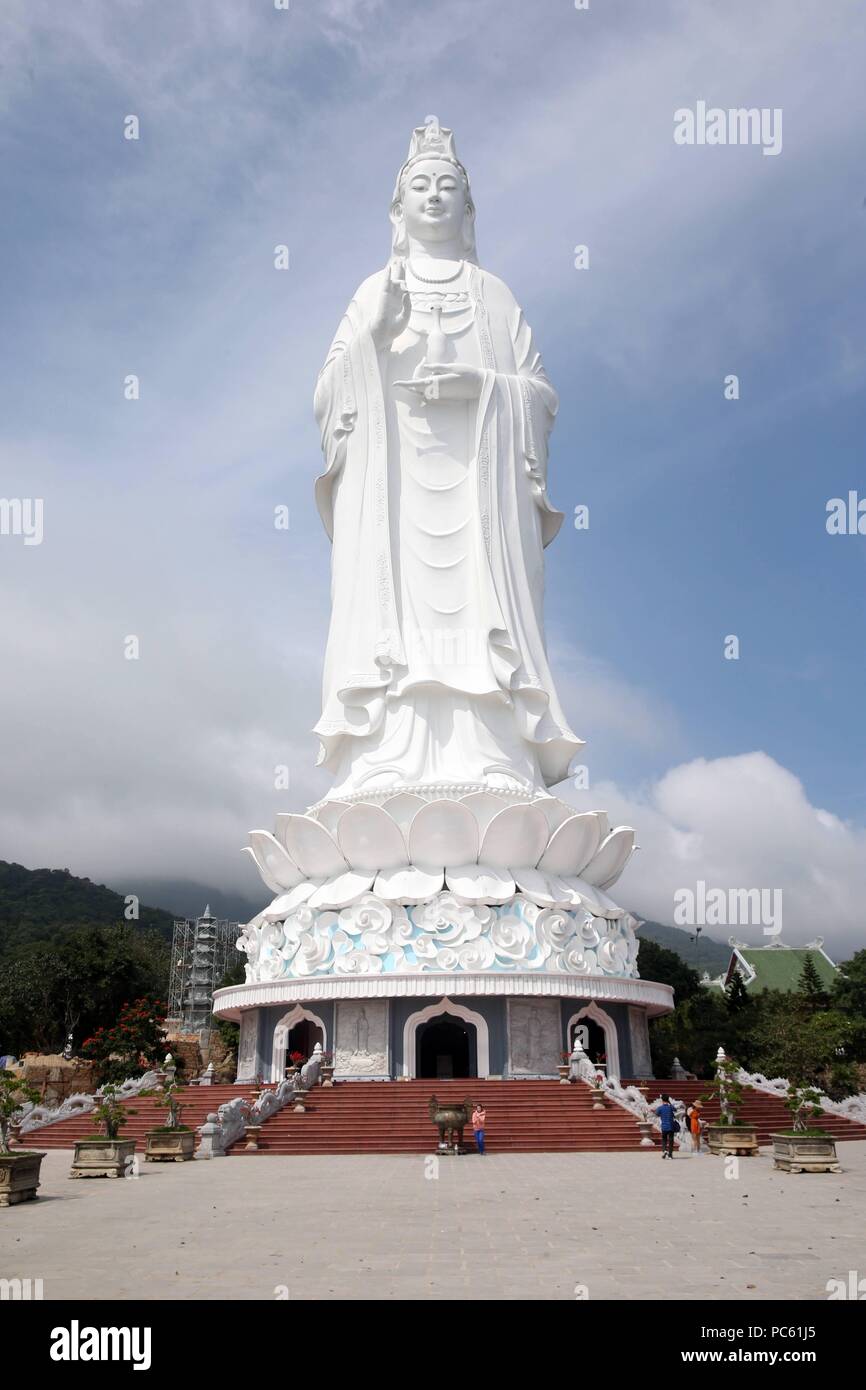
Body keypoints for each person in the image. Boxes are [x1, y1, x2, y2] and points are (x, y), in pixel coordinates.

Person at [654, 1093, 677, 1158]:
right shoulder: (670, 1107)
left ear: (662, 1100)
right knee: (671, 1140)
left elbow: (656, 1114)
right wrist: (670, 1103)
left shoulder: (660, 1108)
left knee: (664, 1139)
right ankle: (670, 1154)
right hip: (671, 1126)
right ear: (668, 1099)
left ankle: (664, 1150)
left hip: (664, 1126)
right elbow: (675, 1109)